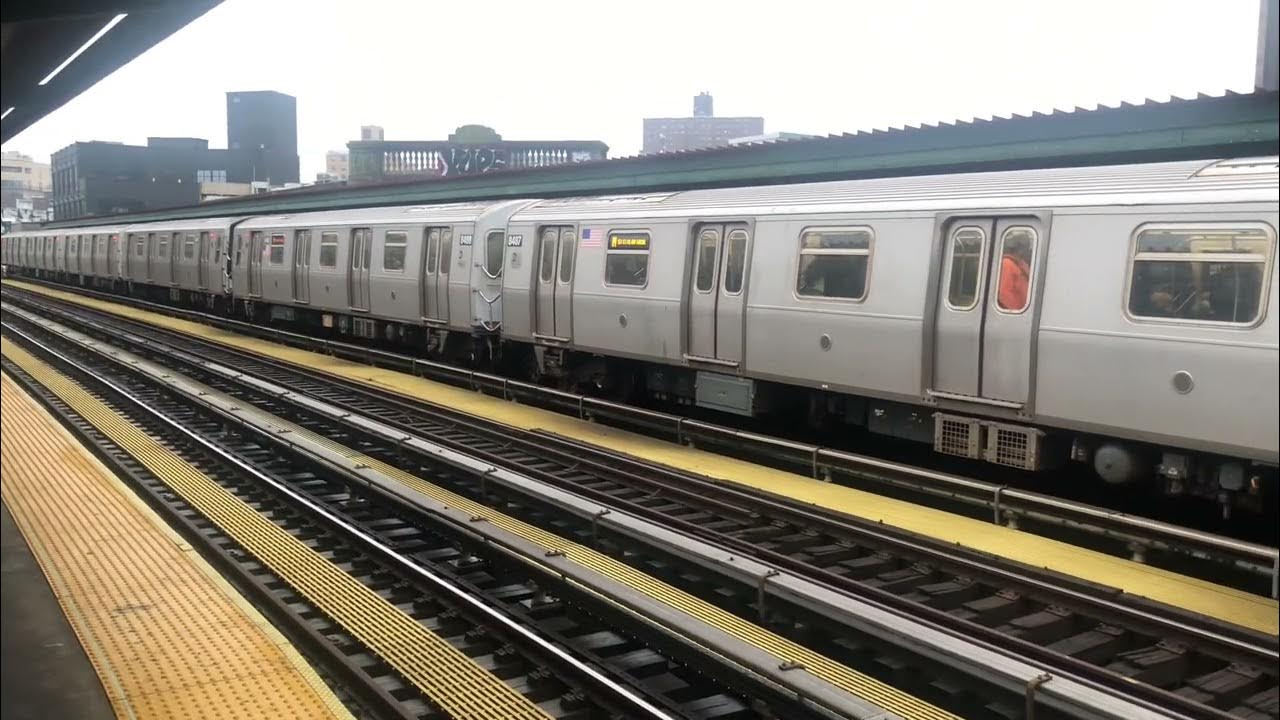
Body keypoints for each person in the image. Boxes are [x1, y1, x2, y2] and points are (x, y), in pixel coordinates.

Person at [998, 236, 1032, 311]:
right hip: (1016, 313)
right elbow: (1004, 293)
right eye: (1027, 248)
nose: (1029, 250)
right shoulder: (1007, 264)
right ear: (1020, 249)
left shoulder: (1023, 264)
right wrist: (1018, 311)